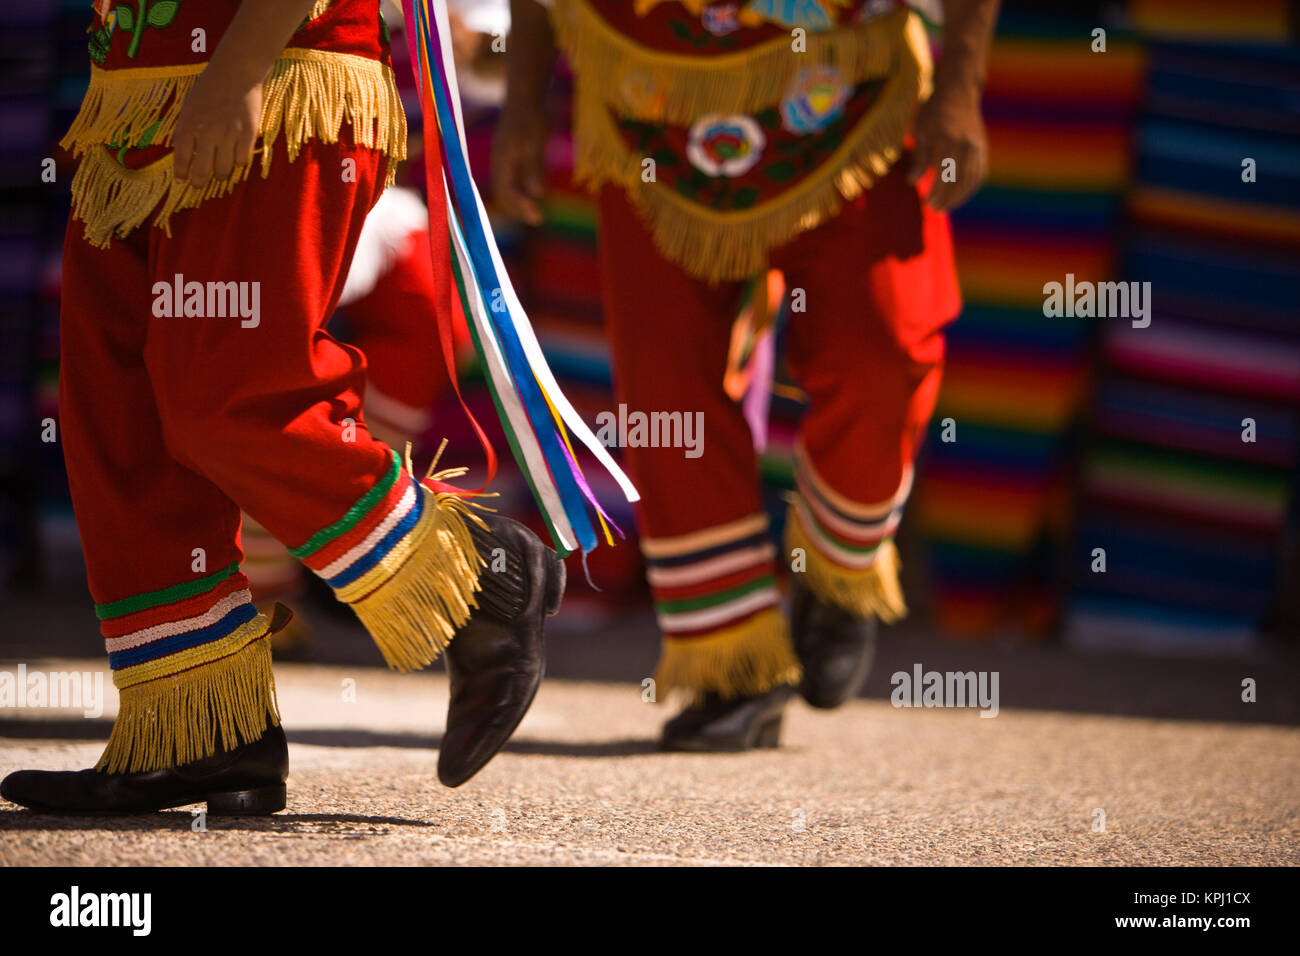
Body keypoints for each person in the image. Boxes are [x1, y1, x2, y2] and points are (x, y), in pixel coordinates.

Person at [1, 0, 563, 815]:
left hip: (274, 74)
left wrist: (239, 70)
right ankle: (197, 730)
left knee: (226, 395)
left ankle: (480, 573)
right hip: (129, 96)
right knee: (119, 422)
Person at [494, 0, 997, 749]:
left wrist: (961, 82)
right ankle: (734, 663)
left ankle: (841, 562)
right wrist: (523, 103)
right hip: (649, 99)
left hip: (848, 87)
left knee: (883, 347)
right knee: (668, 392)